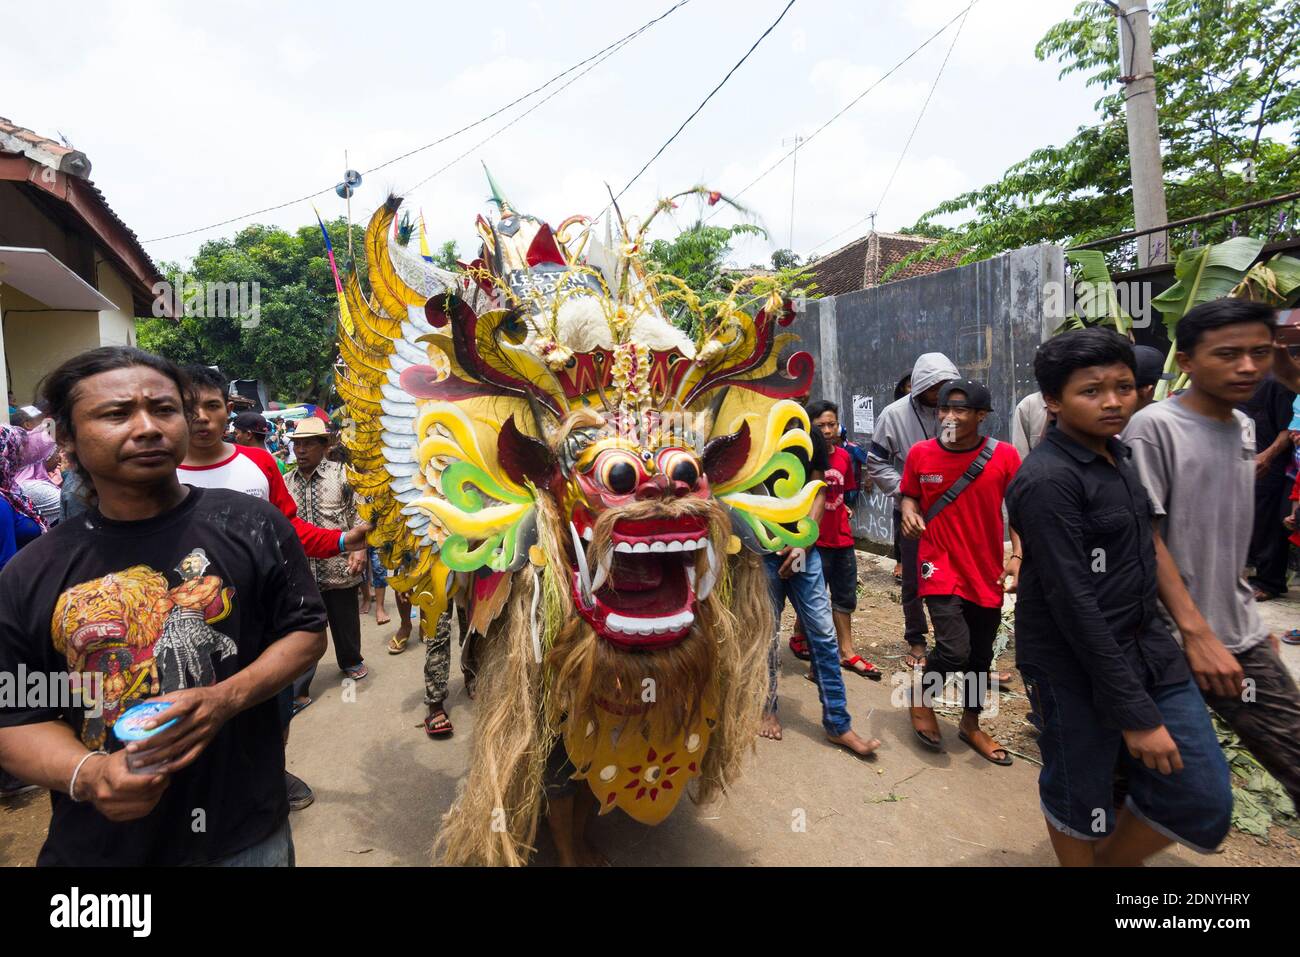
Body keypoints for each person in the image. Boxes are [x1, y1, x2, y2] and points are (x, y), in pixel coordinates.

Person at [0, 347, 327, 865]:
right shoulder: (29, 574)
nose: (148, 427)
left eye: (164, 408)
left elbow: (306, 632)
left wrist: (227, 697)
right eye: (116, 413)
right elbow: (15, 717)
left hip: (243, 834)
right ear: (66, 438)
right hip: (102, 852)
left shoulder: (252, 523)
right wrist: (89, 775)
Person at [1007, 328, 1232, 866]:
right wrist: (1134, 713)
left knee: (1203, 795)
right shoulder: (1045, 481)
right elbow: (1074, 603)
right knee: (1079, 790)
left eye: (1124, 387)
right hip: (1071, 663)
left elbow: (1149, 544)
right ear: (1054, 401)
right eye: (1092, 391)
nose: (1113, 401)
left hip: (1147, 645)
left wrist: (1196, 632)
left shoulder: (1120, 453)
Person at [1125, 299, 1300, 809]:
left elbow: (1219, 534)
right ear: (1188, 362)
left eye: (1259, 353)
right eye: (1228, 354)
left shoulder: (1242, 428)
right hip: (1170, 637)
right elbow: (1147, 537)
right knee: (1161, 779)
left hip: (1238, 635)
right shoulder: (1154, 428)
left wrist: (1240, 608)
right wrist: (1197, 632)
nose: (1247, 366)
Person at [177, 366, 368, 810]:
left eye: (212, 406)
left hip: (262, 616)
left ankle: (271, 772)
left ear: (228, 410)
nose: (202, 418)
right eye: (189, 409)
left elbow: (289, 530)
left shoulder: (259, 463)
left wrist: (342, 540)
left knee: (272, 704)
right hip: (189, 618)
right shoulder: (158, 469)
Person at [900, 379, 1022, 763]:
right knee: (954, 650)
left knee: (981, 655)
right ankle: (921, 695)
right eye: (943, 409)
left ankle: (970, 725)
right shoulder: (920, 454)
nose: (949, 417)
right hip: (937, 562)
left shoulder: (1004, 456)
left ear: (981, 416)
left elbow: (1018, 511)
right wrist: (908, 510)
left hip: (984, 568)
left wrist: (1016, 556)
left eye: (960, 410)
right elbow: (910, 494)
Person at [760, 416, 880, 757]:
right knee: (766, 634)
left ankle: (838, 725)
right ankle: (766, 707)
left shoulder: (806, 432)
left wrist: (804, 542)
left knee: (824, 637)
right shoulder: (753, 428)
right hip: (763, 552)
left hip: (803, 551)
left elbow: (819, 492)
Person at [868, 352, 960, 669]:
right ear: (921, 385)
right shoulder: (893, 415)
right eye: (937, 386)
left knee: (956, 574)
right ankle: (917, 639)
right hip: (911, 511)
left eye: (949, 384)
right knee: (914, 579)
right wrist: (906, 492)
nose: (944, 392)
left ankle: (959, 642)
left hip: (952, 511)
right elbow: (877, 462)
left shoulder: (955, 413)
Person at [790, 400, 881, 679]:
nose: (828, 430)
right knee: (811, 600)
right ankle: (805, 641)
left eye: (832, 424)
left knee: (844, 597)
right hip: (814, 542)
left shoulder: (843, 457)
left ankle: (846, 652)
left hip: (843, 541)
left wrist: (844, 507)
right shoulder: (801, 461)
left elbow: (844, 493)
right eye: (821, 426)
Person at [285, 417, 369, 692]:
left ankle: (350, 659)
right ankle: (301, 682)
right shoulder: (285, 482)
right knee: (305, 628)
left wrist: (360, 549)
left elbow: (360, 513)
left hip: (339, 566)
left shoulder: (343, 475)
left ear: (324, 445)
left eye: (308, 443)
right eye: (297, 444)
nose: (301, 450)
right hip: (301, 571)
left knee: (344, 620)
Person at [1233, 341, 1298, 601]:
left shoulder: (1276, 382)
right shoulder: (1232, 379)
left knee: (1268, 522)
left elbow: (1287, 429)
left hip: (1266, 464)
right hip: (1238, 461)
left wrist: (1266, 456)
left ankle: (1269, 582)